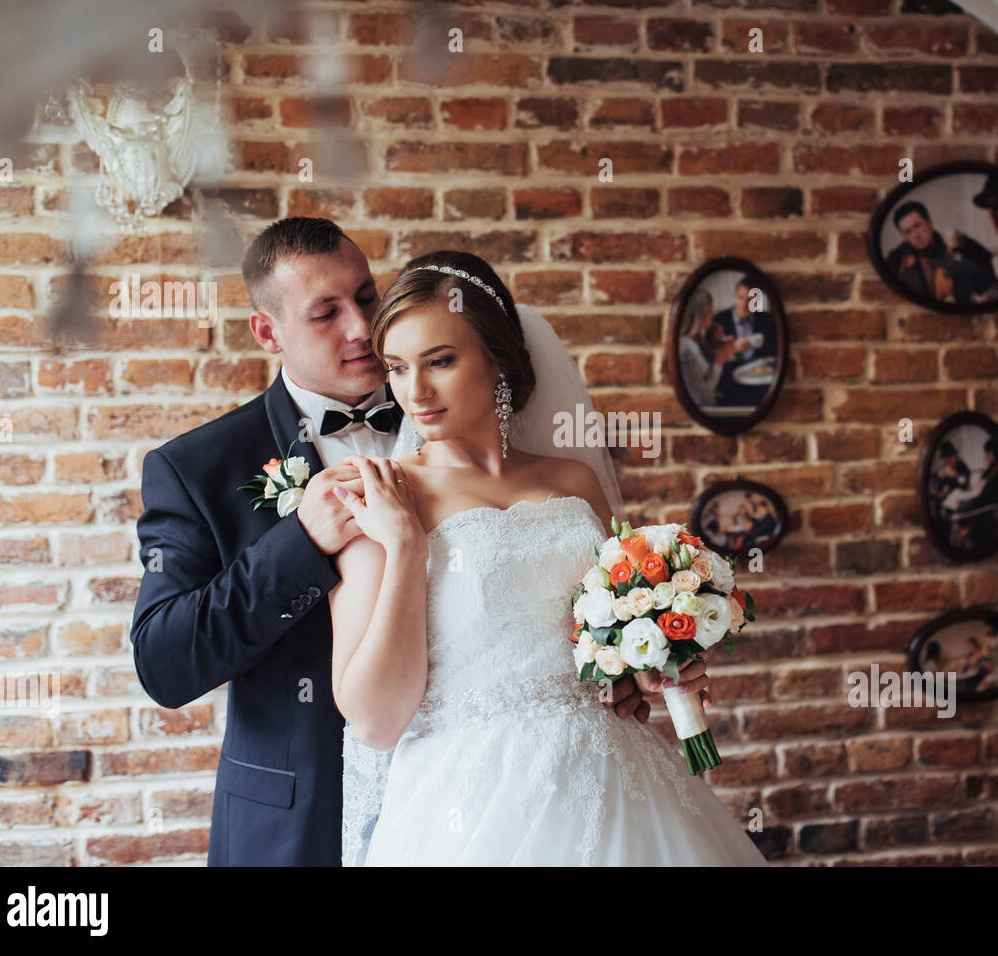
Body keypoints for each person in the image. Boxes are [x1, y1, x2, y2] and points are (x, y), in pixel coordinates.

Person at [129, 220, 672, 867]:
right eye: (326, 312)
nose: (361, 327)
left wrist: (617, 671)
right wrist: (300, 541)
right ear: (269, 332)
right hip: (305, 811)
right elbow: (164, 661)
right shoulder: (201, 467)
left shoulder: (458, 388)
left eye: (365, 296)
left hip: (541, 787)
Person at [329, 251, 768, 866]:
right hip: (470, 806)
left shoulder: (574, 481)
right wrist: (405, 546)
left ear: (499, 361)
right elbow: (373, 723)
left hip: (615, 777)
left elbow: (594, 643)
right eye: (397, 368)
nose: (415, 392)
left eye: (442, 361)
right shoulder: (378, 495)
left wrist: (643, 668)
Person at [884, 201, 994, 305]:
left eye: (917, 226)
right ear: (903, 236)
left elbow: (989, 286)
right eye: (908, 232)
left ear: (930, 223)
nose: (916, 235)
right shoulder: (896, 259)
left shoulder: (961, 246)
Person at [711, 277, 777, 407]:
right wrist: (732, 350)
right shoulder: (719, 321)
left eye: (750, 300)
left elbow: (774, 352)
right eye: (740, 298)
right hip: (729, 386)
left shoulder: (767, 320)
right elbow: (710, 357)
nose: (744, 304)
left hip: (760, 385)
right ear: (735, 296)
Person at [675, 287, 745, 407]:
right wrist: (719, 360)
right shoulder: (685, 348)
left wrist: (717, 346)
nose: (712, 314)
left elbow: (704, 370)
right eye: (709, 310)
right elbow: (702, 397)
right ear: (699, 313)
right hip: (708, 409)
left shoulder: (696, 340)